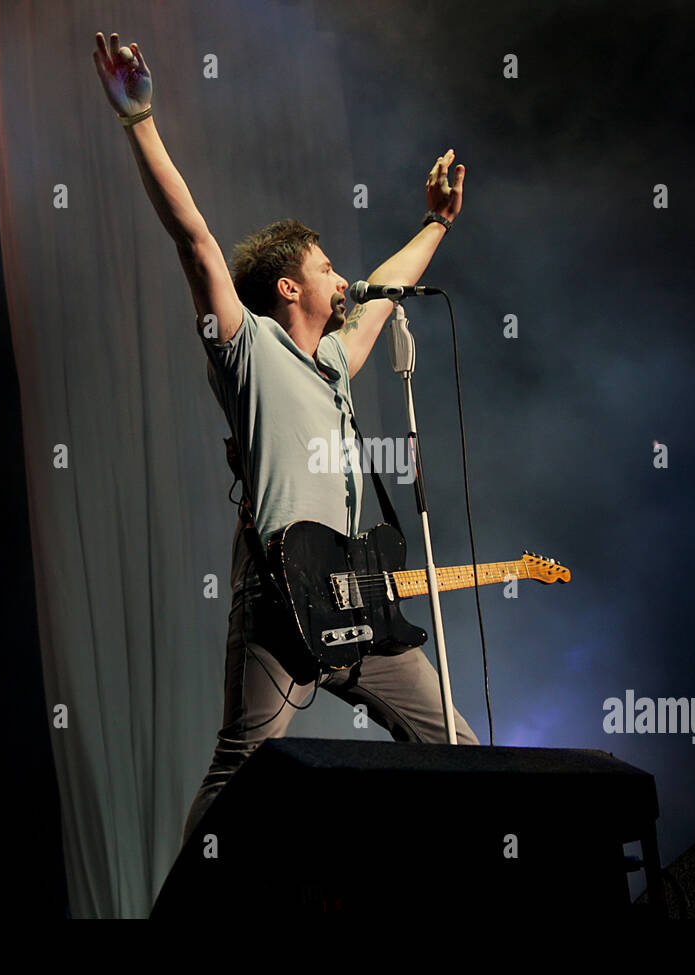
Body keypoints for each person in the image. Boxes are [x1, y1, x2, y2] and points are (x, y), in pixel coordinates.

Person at [92, 31, 480, 844]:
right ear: (287, 286)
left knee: (457, 750)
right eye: (330, 267)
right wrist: (140, 121)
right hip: (280, 597)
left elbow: (388, 291)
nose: (346, 279)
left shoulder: (333, 363)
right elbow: (193, 238)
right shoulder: (246, 349)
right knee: (242, 765)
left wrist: (436, 223)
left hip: (355, 601)